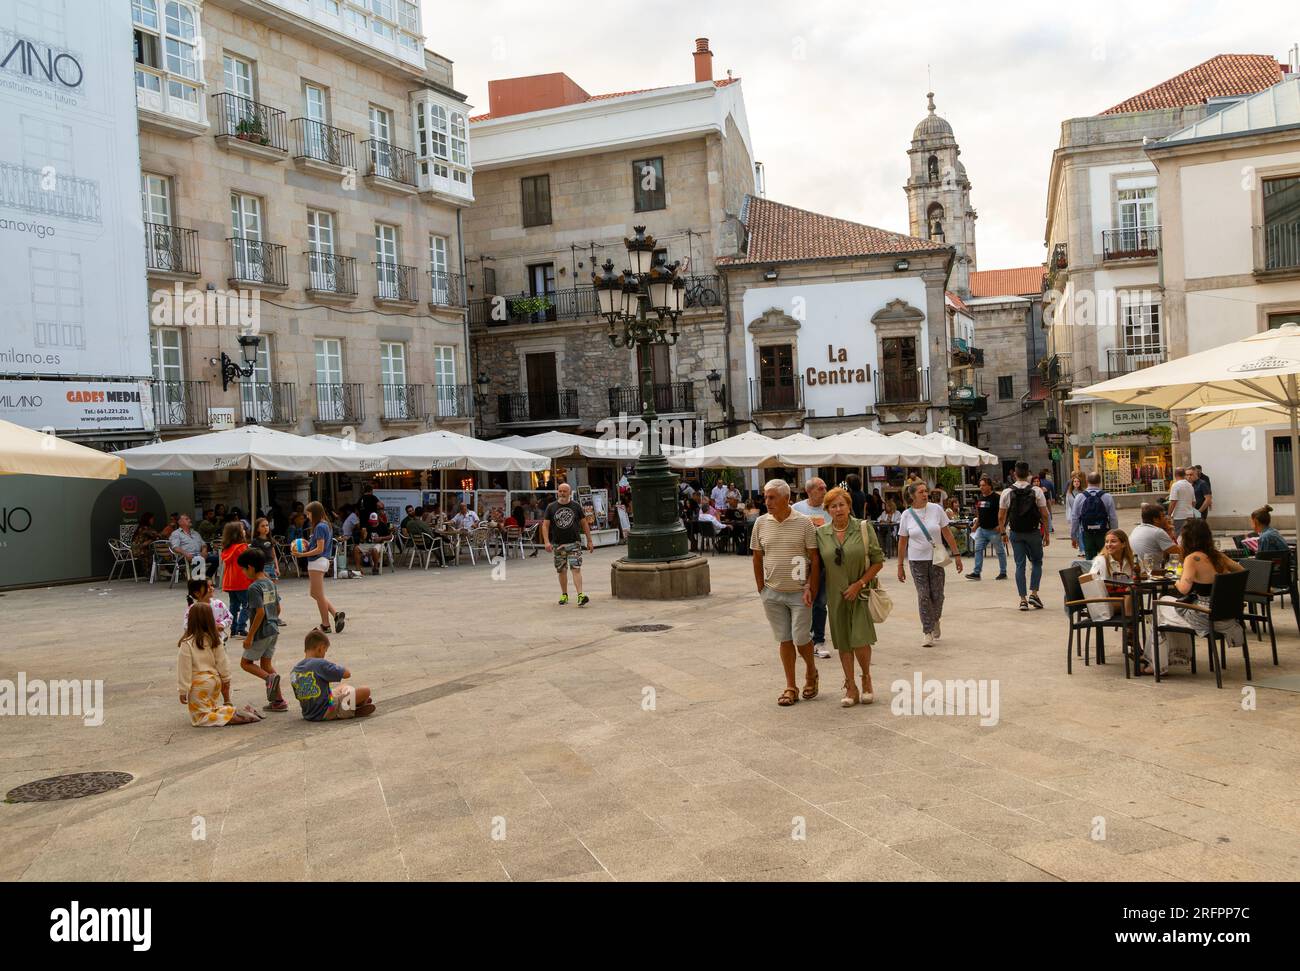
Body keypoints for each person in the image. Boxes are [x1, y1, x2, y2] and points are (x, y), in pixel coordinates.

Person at [812, 486, 885, 708]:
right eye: (833, 506)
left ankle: (866, 679)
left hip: (860, 592)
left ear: (849, 506)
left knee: (861, 639)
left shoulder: (863, 528)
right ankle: (850, 685)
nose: (838, 509)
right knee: (843, 641)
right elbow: (816, 565)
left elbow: (878, 560)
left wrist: (859, 583)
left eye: (842, 504)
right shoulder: (821, 534)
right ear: (828, 510)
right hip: (835, 595)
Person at [751, 479, 819, 706]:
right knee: (784, 639)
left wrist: (811, 587)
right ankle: (791, 686)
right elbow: (757, 557)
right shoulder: (761, 523)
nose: (766, 501)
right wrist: (761, 588)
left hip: (800, 593)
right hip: (773, 593)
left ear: (786, 499)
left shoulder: (804, 524)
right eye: (765, 497)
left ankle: (811, 671)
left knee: (801, 638)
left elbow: (814, 559)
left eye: (771, 497)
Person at [1150, 519, 1243, 676]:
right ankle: (1176, 656)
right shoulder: (1218, 556)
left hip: (1204, 616)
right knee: (1166, 609)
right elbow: (1241, 571)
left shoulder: (1192, 558)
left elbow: (1185, 589)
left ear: (1186, 538)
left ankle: (1159, 663)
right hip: (1226, 616)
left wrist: (1177, 581)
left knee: (1160, 605)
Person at [896, 481, 963, 646]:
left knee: (938, 595)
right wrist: (900, 565)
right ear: (912, 496)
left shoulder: (936, 509)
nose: (925, 494)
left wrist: (957, 555)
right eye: (921, 492)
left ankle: (935, 619)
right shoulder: (906, 515)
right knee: (924, 595)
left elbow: (947, 533)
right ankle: (927, 630)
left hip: (937, 558)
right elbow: (902, 541)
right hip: (916, 560)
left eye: (926, 491)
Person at [177, 603, 263, 726]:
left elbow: (184, 669)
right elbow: (222, 661)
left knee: (200, 717)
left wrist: (182, 690)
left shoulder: (187, 643)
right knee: (211, 708)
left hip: (199, 684)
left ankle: (231, 719)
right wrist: (226, 679)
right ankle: (235, 711)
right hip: (215, 681)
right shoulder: (215, 639)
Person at [237, 547, 287, 712]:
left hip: (262, 632)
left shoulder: (254, 588)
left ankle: (269, 679)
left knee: (245, 663)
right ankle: (278, 701)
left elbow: (259, 613)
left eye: (243, 569)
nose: (243, 573)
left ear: (250, 567)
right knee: (266, 663)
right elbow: (278, 609)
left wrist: (249, 636)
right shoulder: (270, 583)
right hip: (273, 629)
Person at [998, 461, 1052, 611]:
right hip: (1033, 532)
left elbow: (1001, 516)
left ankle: (1022, 599)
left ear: (1015, 474)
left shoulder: (1007, 492)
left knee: (1019, 565)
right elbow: (1045, 515)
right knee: (1036, 562)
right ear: (1028, 473)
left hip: (1015, 533)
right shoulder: (1037, 491)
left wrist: (1003, 532)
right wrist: (1046, 533)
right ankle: (1034, 593)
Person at [290, 629, 376, 721]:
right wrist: (331, 666)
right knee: (366, 691)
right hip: (328, 710)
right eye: (325, 651)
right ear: (320, 648)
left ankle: (354, 704)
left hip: (308, 713)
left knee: (343, 687)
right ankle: (351, 709)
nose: (324, 654)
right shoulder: (320, 664)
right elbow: (347, 674)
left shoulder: (294, 671)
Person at [792, 477, 831, 658]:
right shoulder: (797, 509)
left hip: (822, 561)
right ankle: (802, 637)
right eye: (820, 488)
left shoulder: (830, 508)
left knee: (820, 602)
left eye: (825, 488)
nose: (824, 491)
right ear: (810, 491)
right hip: (801, 561)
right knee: (800, 600)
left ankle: (819, 640)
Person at [296, 500, 345, 634]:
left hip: (317, 561)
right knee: (315, 594)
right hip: (321, 561)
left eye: (309, 514)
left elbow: (319, 548)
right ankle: (335, 614)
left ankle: (326, 624)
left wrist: (302, 554)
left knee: (319, 594)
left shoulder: (320, 526)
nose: (308, 517)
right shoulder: (325, 524)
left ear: (315, 513)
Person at [542, 482, 594, 606]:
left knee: (576, 569)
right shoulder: (551, 507)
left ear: (569, 493)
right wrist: (546, 542)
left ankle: (580, 595)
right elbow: (545, 525)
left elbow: (584, 523)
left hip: (574, 543)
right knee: (561, 570)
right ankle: (564, 594)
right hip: (558, 544)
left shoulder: (576, 506)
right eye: (560, 491)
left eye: (565, 491)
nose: (562, 493)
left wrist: (590, 540)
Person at [967, 475, 1007, 580]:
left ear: (990, 486)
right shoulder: (981, 498)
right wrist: (976, 526)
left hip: (994, 530)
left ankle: (1003, 572)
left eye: (984, 485)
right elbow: (980, 514)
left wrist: (1001, 526)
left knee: (1000, 551)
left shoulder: (997, 498)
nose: (981, 487)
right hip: (982, 530)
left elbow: (1004, 512)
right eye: (980, 486)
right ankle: (976, 573)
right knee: (978, 549)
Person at [1074, 472, 1117, 560]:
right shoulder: (1107, 496)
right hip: (1103, 532)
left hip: (1087, 533)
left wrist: (1073, 536)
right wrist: (1114, 534)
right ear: (1100, 481)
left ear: (1086, 481)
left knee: (1090, 561)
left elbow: (1075, 518)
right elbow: (1113, 517)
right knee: (1106, 560)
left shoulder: (1080, 497)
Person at [219, 521, 251, 637]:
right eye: (242, 529)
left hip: (229, 582)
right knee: (248, 604)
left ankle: (233, 629)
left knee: (234, 606)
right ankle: (240, 628)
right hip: (242, 581)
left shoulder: (226, 548)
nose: (244, 531)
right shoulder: (242, 547)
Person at [1130, 503, 1181, 569]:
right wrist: (1169, 529)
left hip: (1138, 571)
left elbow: (1166, 553)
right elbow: (1178, 553)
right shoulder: (1157, 532)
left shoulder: (1136, 529)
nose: (1165, 518)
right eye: (1163, 516)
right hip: (1154, 573)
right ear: (1155, 519)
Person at [169, 514, 218, 579]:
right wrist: (186, 554)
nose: (190, 520)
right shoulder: (176, 533)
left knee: (218, 559)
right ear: (180, 522)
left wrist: (204, 551)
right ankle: (198, 580)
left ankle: (207, 576)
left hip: (199, 555)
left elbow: (203, 544)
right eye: (187, 519)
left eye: (189, 519)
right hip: (184, 557)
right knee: (199, 559)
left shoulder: (195, 533)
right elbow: (175, 547)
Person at [185, 577, 233, 642]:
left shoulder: (219, 604)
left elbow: (229, 617)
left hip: (219, 642)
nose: (211, 588)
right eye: (207, 587)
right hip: (201, 643)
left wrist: (223, 624)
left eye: (212, 585)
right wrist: (208, 629)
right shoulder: (192, 609)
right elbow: (187, 626)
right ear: (197, 593)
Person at [1167, 467, 1198, 539]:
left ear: (1175, 475)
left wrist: (1169, 514)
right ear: (1184, 475)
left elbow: (1173, 501)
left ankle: (1178, 550)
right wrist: (1190, 510)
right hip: (1189, 515)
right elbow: (1194, 502)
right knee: (1188, 536)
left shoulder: (1175, 485)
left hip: (1179, 515)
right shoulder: (1190, 485)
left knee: (1176, 535)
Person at [1063, 471, 1085, 549]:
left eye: (1078, 481)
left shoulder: (1083, 492)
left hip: (1082, 515)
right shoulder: (1069, 493)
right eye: (1075, 481)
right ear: (1072, 483)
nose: (1076, 483)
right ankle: (1080, 548)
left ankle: (1082, 549)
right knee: (1076, 532)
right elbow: (1068, 506)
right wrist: (1068, 516)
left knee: (1081, 532)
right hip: (1073, 515)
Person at [1190, 466, 1213, 531]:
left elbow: (1208, 498)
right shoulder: (1189, 484)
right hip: (1192, 511)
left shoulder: (1202, 483)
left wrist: (1198, 511)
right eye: (1187, 475)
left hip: (1200, 510)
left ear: (1196, 473)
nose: (1189, 476)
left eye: (1191, 474)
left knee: (1201, 529)